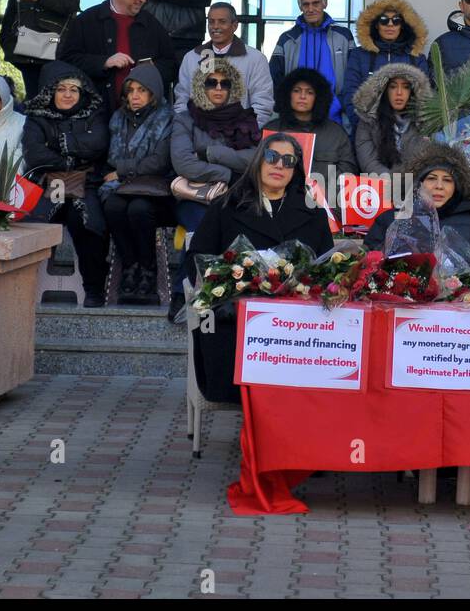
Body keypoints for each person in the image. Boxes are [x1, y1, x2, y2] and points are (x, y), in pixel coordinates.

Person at [186, 133, 332, 403]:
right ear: (258, 162)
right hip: (238, 312)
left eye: (288, 161)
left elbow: (326, 267)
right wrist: (235, 276)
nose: (279, 165)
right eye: (272, 157)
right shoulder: (227, 205)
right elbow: (197, 257)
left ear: (296, 170)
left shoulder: (314, 213)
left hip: (298, 318)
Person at [168, 60, 263, 320]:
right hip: (196, 197)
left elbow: (255, 159)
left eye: (225, 83)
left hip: (235, 195)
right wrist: (229, 172)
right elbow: (184, 163)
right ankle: (182, 292)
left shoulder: (246, 119)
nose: (218, 88)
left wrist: (211, 153)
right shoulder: (186, 119)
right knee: (202, 228)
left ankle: (232, 294)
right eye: (212, 82)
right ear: (201, 86)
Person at [22, 61, 111, 308]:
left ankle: (93, 289)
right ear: (51, 92)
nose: (68, 95)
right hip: (45, 184)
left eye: (74, 90)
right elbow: (35, 155)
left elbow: (98, 145)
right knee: (31, 225)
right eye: (61, 89)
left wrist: (58, 146)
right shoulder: (37, 117)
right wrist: (75, 156)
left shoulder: (94, 114)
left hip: (86, 185)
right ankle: (21, 290)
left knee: (87, 224)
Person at [100, 62, 176, 305]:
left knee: (139, 209)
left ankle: (148, 268)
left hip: (155, 191)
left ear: (153, 93)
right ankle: (130, 266)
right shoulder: (118, 119)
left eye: (141, 90)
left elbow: (159, 162)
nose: (134, 96)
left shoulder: (167, 119)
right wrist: (124, 172)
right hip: (123, 187)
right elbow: (110, 156)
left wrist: (122, 170)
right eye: (130, 90)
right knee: (112, 207)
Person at [364, 141, 470, 270]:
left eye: (447, 180)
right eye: (431, 178)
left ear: (457, 186)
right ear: (417, 183)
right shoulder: (390, 220)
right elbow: (366, 266)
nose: (439, 186)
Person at [57, 0, 177, 109]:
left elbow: (170, 65)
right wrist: (104, 62)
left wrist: (152, 71)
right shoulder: (87, 21)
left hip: (142, 118)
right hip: (96, 114)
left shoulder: (152, 25)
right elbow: (67, 61)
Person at [173, 2, 275, 125]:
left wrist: (246, 134)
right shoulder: (191, 57)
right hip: (197, 136)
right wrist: (187, 130)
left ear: (235, 26)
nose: (215, 26)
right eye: (211, 22)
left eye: (222, 21)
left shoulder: (256, 59)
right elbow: (181, 101)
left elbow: (262, 106)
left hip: (239, 137)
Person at [340, 0, 431, 131]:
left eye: (396, 20)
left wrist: (412, 131)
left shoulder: (416, 58)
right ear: (376, 24)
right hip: (367, 131)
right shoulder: (359, 55)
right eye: (384, 20)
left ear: (403, 25)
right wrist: (363, 129)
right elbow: (350, 95)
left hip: (407, 134)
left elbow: (424, 98)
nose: (390, 25)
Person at [268, 0, 354, 115]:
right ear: (300, 6)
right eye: (306, 4)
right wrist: (285, 108)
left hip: (335, 116)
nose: (311, 9)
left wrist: (343, 106)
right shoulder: (287, 39)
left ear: (325, 3)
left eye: (316, 3)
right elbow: (274, 79)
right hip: (296, 117)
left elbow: (352, 77)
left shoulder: (343, 36)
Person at [262, 67, 357, 181]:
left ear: (319, 98)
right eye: (296, 90)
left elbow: (347, 174)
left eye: (309, 92)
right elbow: (258, 169)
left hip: (324, 196)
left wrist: (322, 194)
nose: (302, 96)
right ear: (287, 94)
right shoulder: (271, 129)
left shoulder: (336, 134)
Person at [352, 62, 433, 177]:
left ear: (413, 91)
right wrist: (390, 181)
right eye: (393, 86)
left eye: (406, 87)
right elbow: (368, 162)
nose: (399, 93)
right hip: (380, 186)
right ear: (384, 90)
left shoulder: (426, 122)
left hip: (416, 187)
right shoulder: (368, 121)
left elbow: (428, 161)